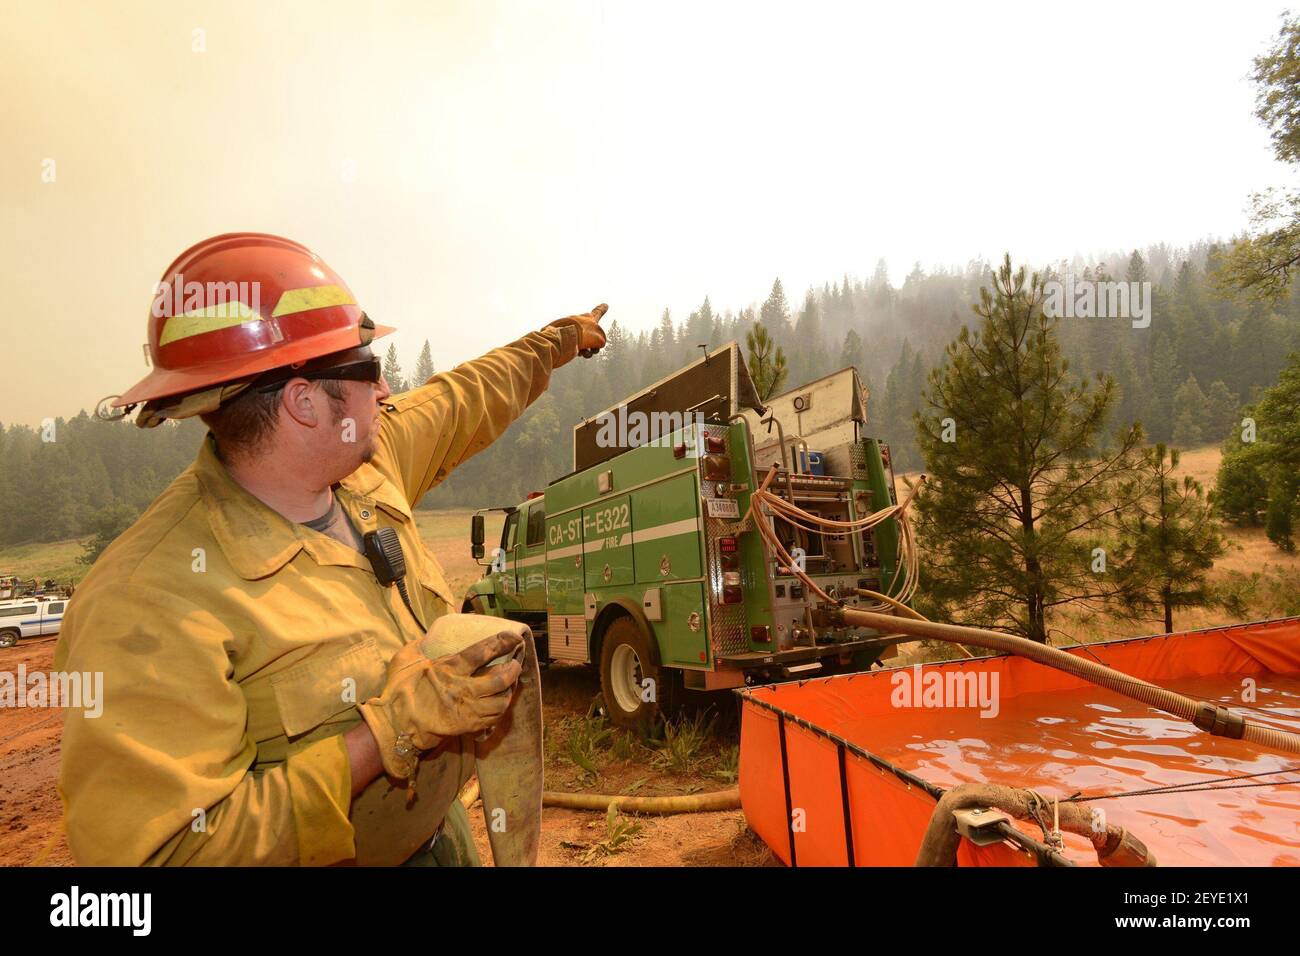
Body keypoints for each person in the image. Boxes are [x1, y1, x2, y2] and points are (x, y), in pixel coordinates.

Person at [54, 233, 605, 865]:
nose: (388, 391)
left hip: (442, 841)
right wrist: (386, 736)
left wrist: (560, 339)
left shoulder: (369, 463)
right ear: (305, 401)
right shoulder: (144, 602)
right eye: (370, 370)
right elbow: (174, 854)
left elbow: (467, 396)